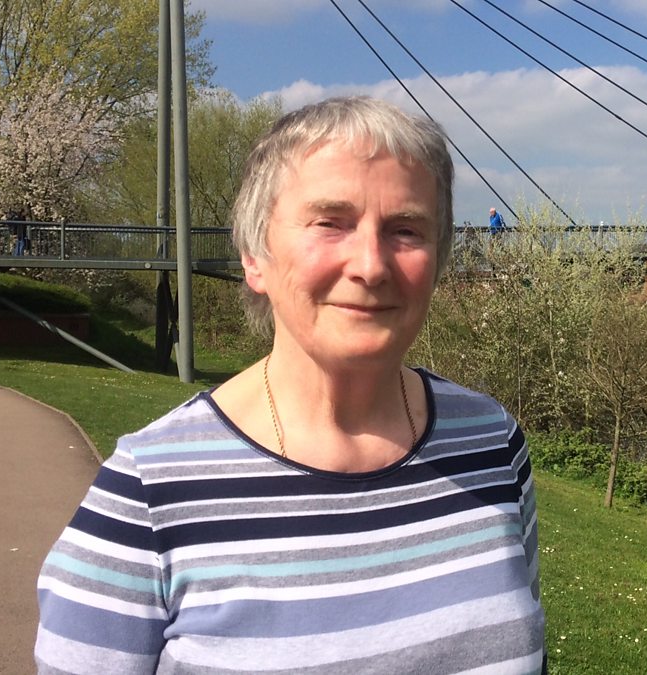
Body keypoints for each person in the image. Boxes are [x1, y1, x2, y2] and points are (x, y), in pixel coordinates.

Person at [34, 97, 546, 673]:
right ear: (255, 256)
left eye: (406, 230)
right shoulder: (148, 495)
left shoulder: (492, 443)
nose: (371, 265)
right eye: (330, 222)